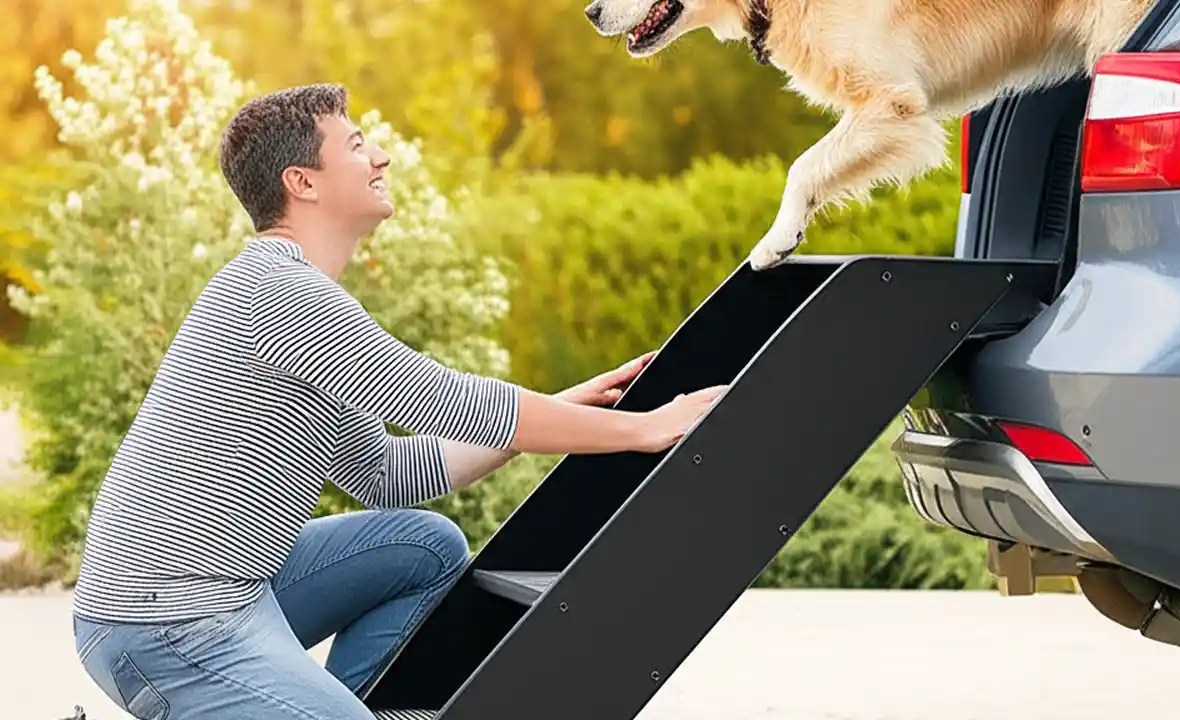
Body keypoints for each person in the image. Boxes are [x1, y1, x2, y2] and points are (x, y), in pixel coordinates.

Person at [70, 83, 726, 719]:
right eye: (357, 145)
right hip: (165, 625)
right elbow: (447, 399)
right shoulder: (281, 293)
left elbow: (387, 474)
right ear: (303, 182)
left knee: (424, 547)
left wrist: (565, 408)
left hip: (233, 594)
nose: (380, 156)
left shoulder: (296, 294)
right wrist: (646, 428)